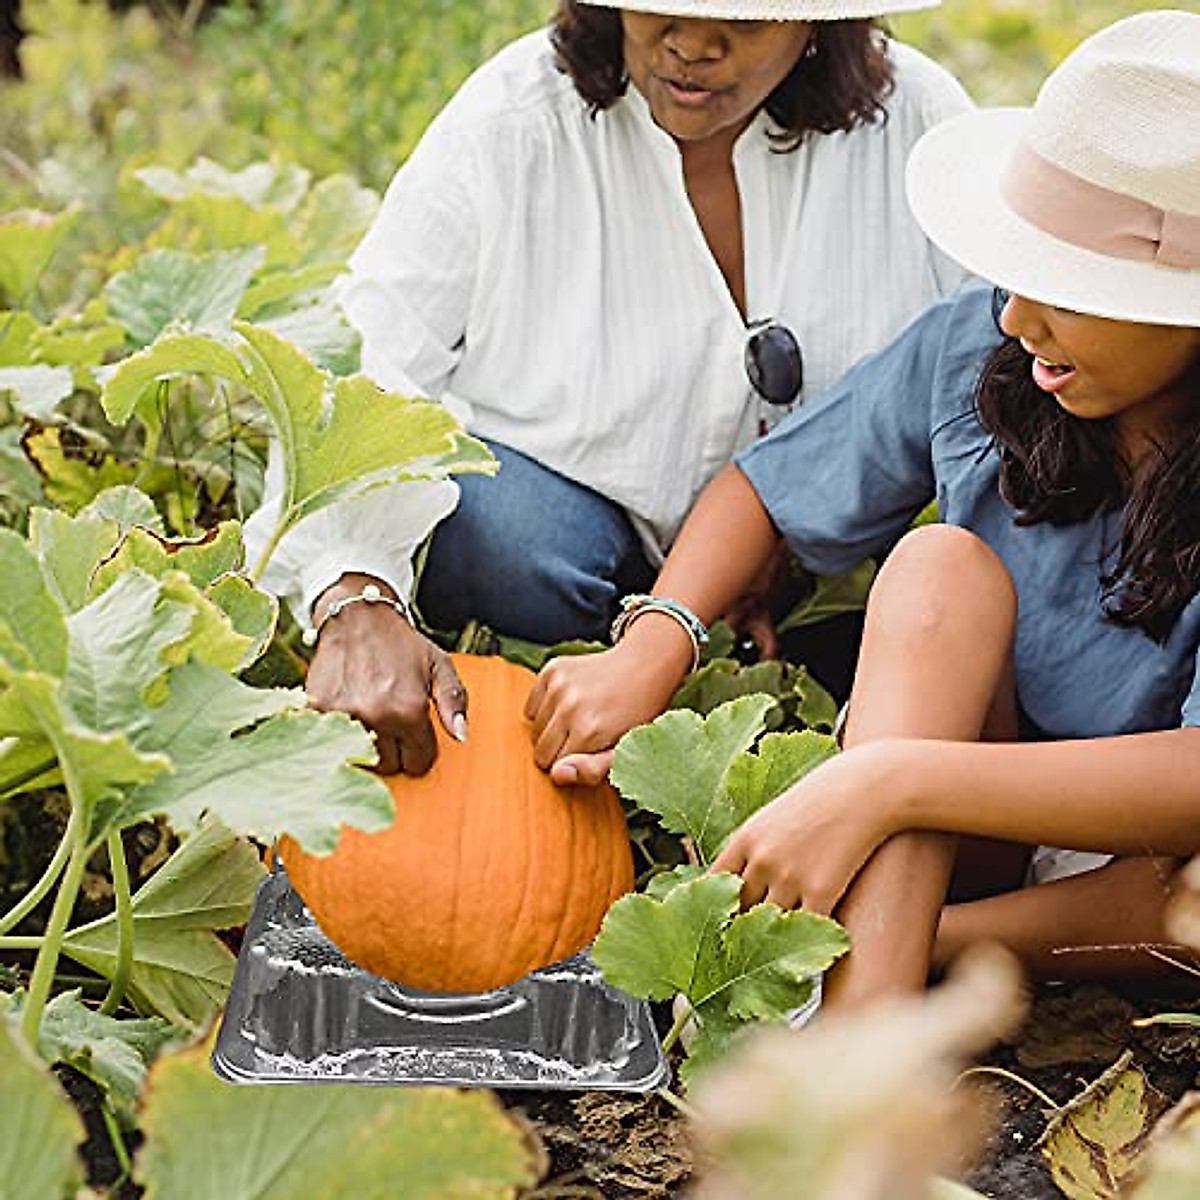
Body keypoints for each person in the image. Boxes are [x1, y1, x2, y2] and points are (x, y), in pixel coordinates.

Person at [526, 9, 1200, 1007]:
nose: (1017, 316)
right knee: (936, 570)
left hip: (1147, 884)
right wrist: (656, 640)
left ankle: (904, 948)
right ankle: (862, 1036)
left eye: (1069, 284)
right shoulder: (987, 350)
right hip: (968, 816)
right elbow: (763, 487)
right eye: (1018, 269)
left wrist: (886, 781)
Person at [243, 0, 972, 775]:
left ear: (820, 21)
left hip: (817, 572)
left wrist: (799, 529)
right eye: (659, 6)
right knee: (494, 533)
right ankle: (597, 672)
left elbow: (998, 364)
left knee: (912, 599)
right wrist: (353, 591)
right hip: (569, 554)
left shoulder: (917, 127)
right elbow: (373, 349)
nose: (693, 44)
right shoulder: (515, 118)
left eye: (748, 21)